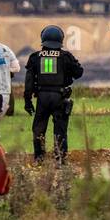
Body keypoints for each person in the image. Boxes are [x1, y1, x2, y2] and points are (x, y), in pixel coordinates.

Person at [23, 25, 84, 164]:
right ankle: (60, 158)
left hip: (42, 97)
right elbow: (79, 73)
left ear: (43, 39)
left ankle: (39, 158)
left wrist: (27, 101)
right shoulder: (66, 56)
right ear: (61, 40)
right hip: (60, 97)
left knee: (39, 128)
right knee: (60, 129)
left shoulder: (35, 57)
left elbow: (29, 82)